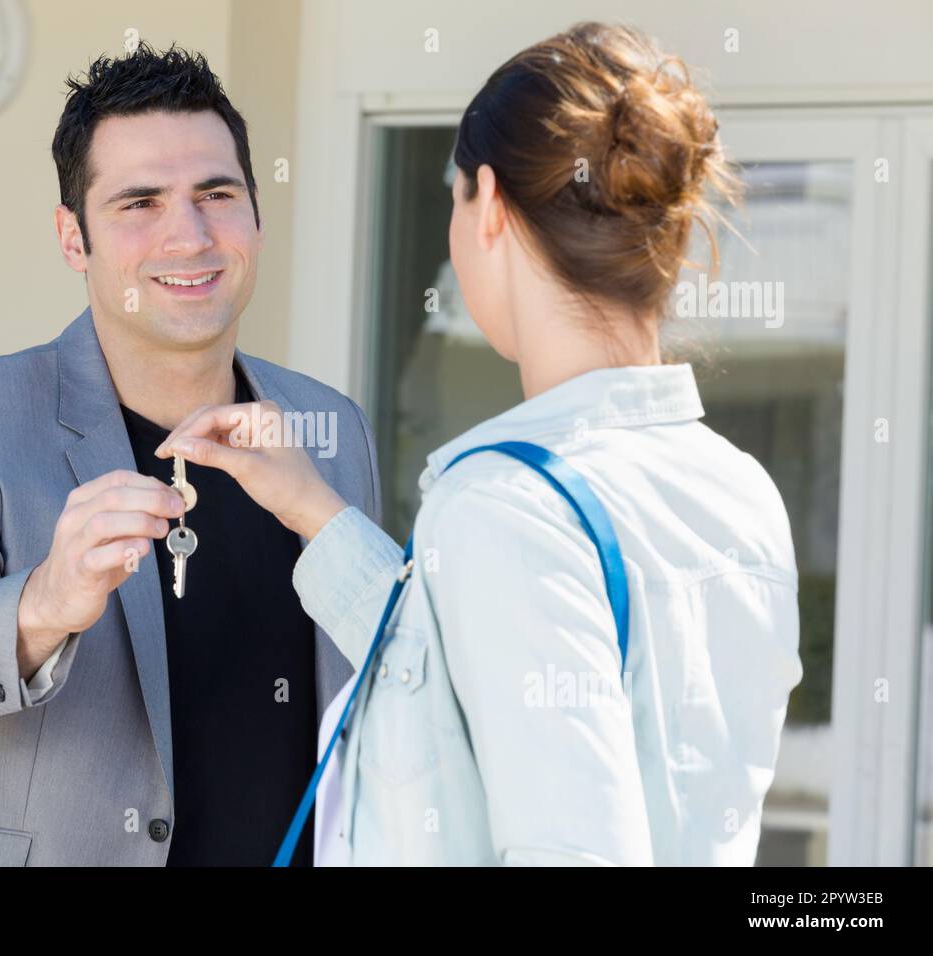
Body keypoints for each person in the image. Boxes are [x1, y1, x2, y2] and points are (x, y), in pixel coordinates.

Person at [157, 22, 804, 865]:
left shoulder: (508, 503)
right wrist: (312, 507)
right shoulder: (738, 490)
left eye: (454, 197)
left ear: (490, 205)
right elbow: (462, 679)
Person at [0, 43, 381, 866]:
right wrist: (43, 604)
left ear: (256, 214)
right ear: (74, 239)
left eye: (217, 193)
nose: (190, 234)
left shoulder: (331, 427)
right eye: (139, 202)